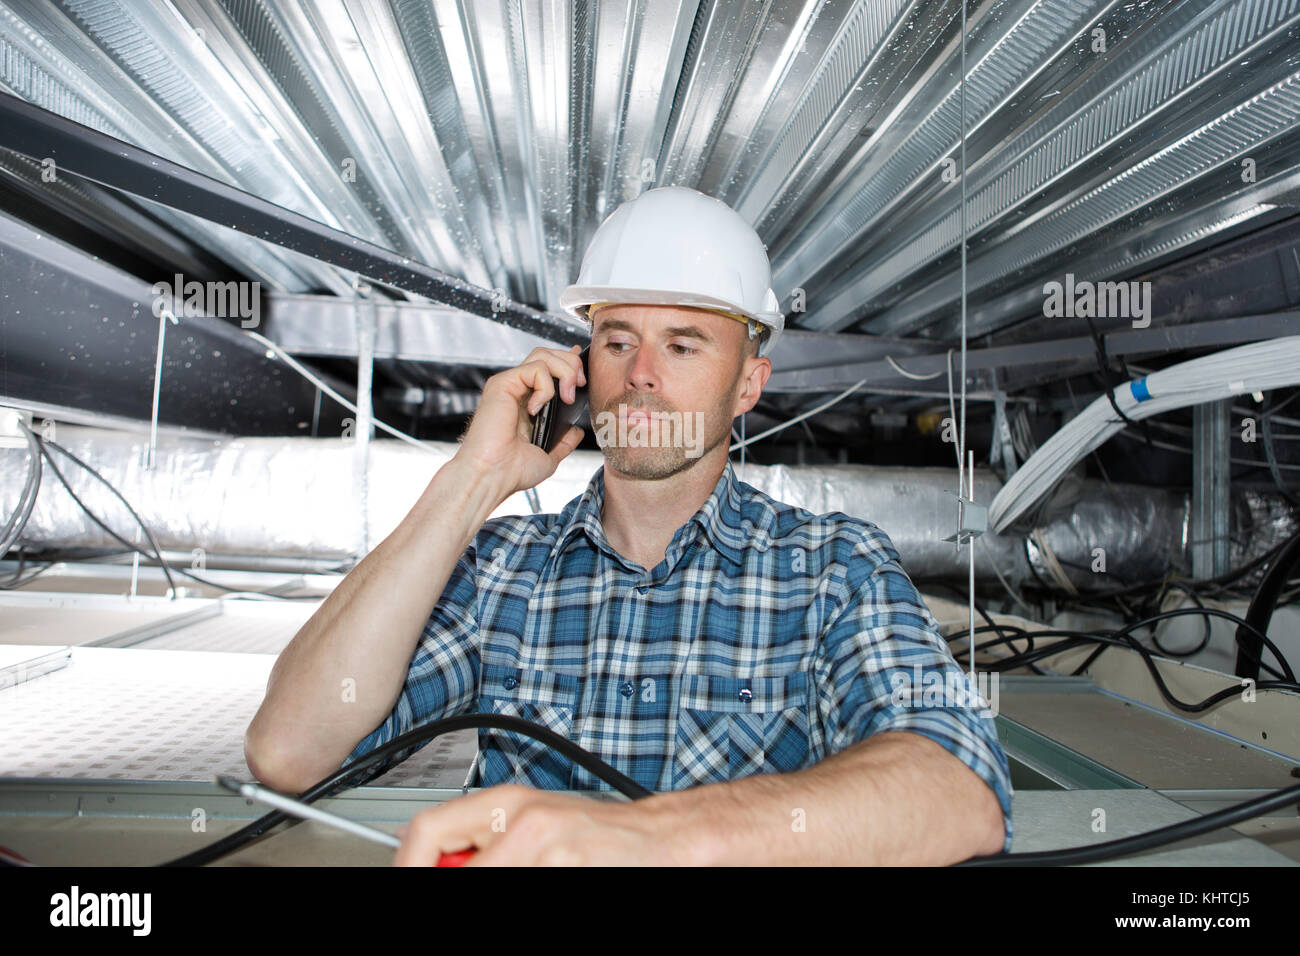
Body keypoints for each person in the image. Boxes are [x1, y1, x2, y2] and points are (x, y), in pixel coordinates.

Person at [244, 186, 1013, 865]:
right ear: (585, 366)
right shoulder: (504, 569)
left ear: (748, 383)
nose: (640, 373)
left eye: (682, 344)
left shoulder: (832, 571)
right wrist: (471, 482)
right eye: (617, 341)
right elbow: (290, 751)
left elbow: (959, 784)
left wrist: (653, 840)